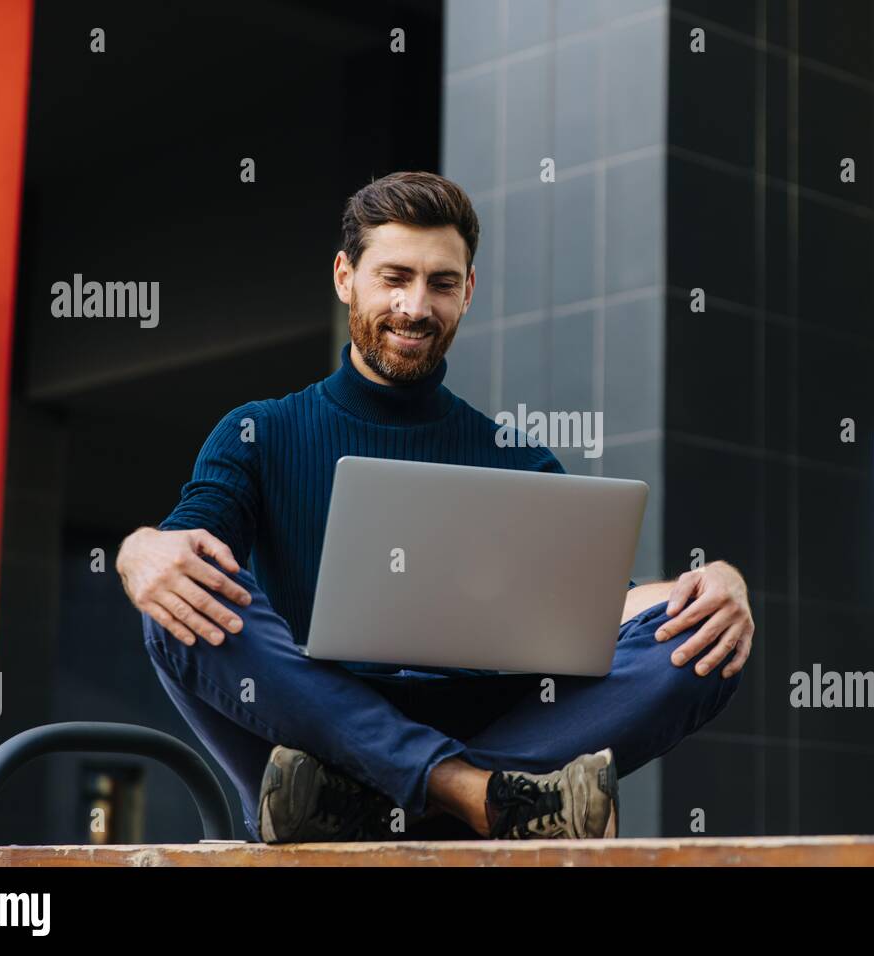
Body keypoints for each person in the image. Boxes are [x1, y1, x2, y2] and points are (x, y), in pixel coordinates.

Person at [116, 171, 754, 843]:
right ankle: (472, 796)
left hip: (461, 731)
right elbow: (190, 543)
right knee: (176, 599)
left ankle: (372, 801)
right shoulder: (260, 433)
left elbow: (597, 609)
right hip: (309, 722)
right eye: (394, 277)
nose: (416, 307)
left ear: (468, 291)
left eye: (441, 284)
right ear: (344, 276)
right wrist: (140, 550)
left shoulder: (517, 459)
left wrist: (717, 584)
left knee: (705, 638)